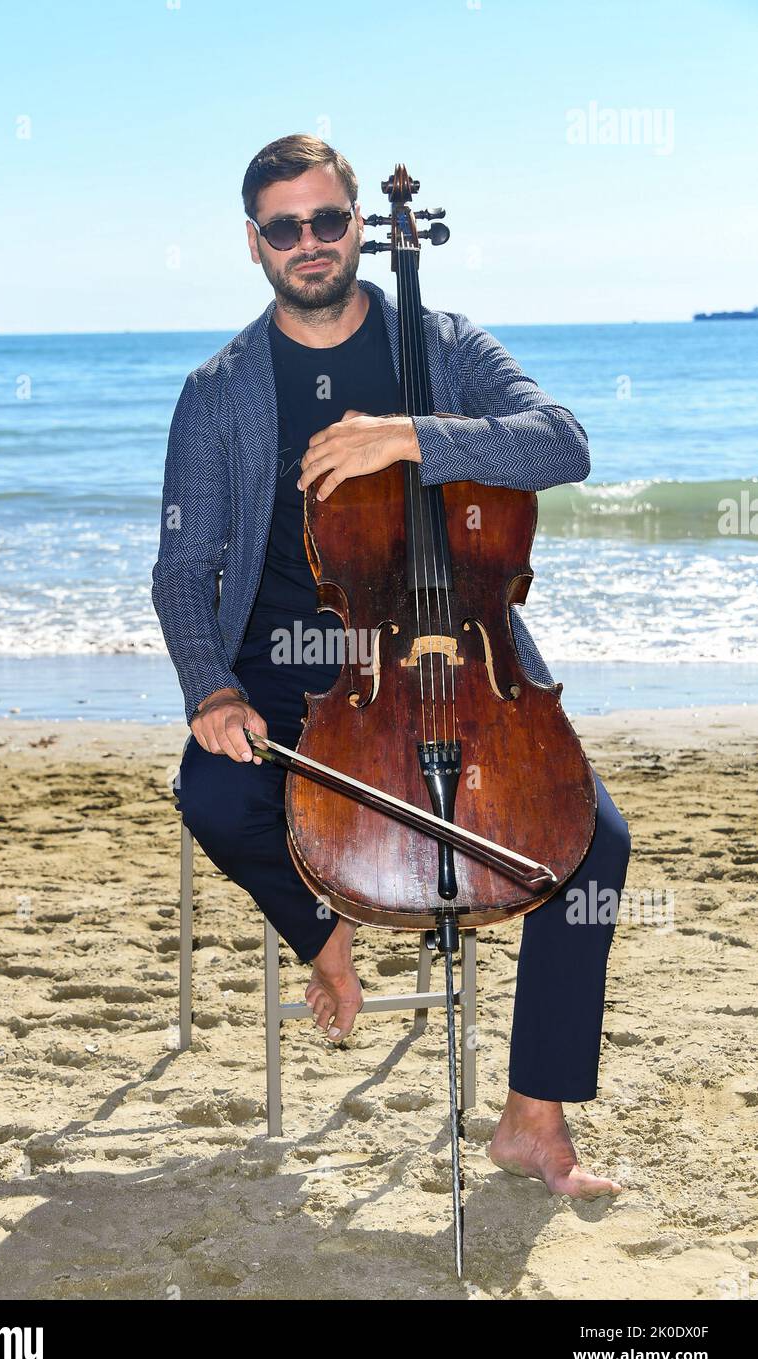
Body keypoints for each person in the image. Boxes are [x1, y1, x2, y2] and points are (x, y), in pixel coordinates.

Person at [152, 134, 632, 1199]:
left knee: (592, 850)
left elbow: (561, 442)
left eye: (329, 220)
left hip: (462, 647)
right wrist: (210, 688)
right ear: (254, 245)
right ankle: (324, 936)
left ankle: (532, 1119)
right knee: (216, 791)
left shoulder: (442, 344)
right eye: (285, 228)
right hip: (295, 662)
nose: (310, 243)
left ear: (362, 226)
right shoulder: (217, 391)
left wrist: (414, 435)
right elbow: (182, 570)